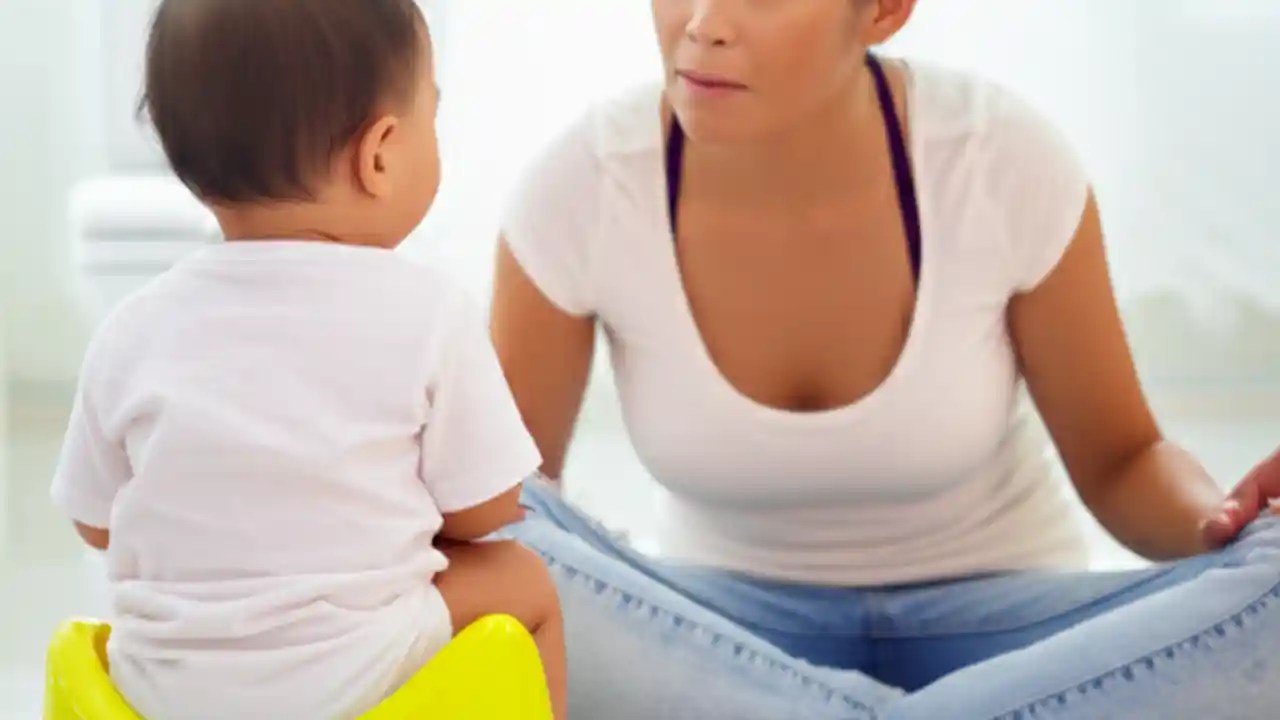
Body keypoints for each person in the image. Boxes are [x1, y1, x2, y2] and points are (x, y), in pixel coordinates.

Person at [490, 0, 1280, 717]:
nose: (703, 24)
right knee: (503, 535)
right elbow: (503, 509)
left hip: (1012, 633)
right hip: (721, 636)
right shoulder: (580, 187)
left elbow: (1122, 459)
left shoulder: (998, 158)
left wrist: (1227, 525)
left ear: (883, 11)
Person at [49, 1, 565, 718]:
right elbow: (486, 510)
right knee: (527, 583)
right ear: (381, 153)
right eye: (432, 116)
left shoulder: (130, 328)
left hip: (164, 688)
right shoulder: (427, 311)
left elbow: (96, 525)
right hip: (357, 677)